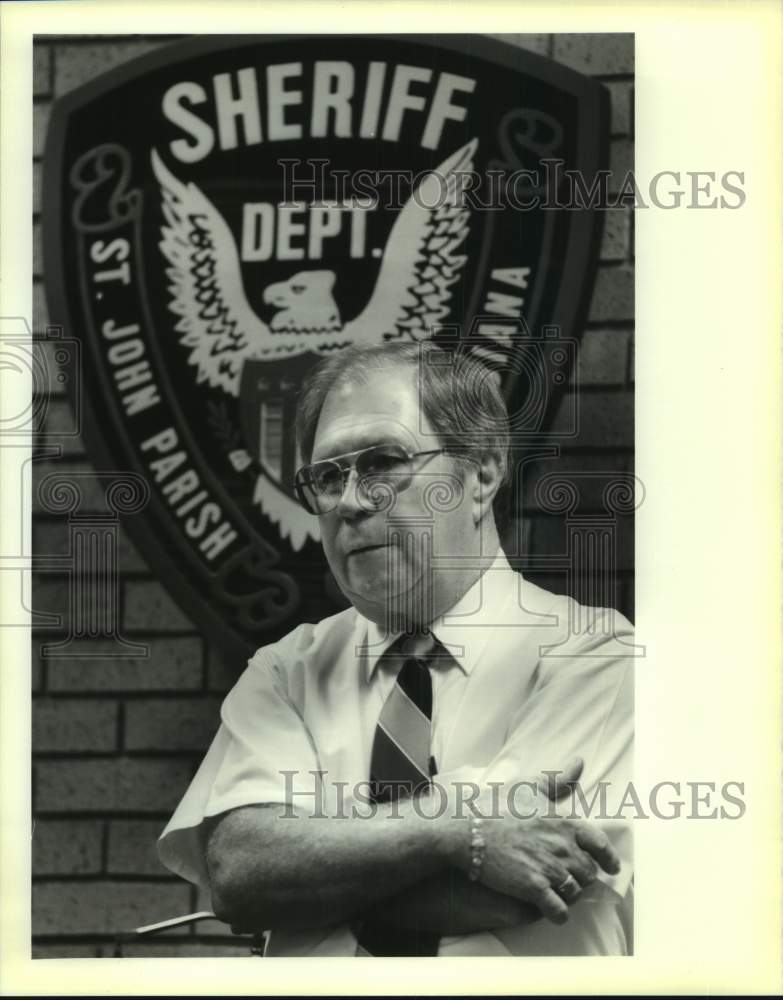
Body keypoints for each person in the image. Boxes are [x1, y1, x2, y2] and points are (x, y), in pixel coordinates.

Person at [158, 341, 634, 956]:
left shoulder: (595, 655)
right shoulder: (286, 670)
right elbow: (242, 874)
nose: (351, 501)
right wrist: (459, 829)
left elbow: (535, 883)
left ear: (482, 473)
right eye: (328, 476)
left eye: (383, 461)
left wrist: (321, 873)